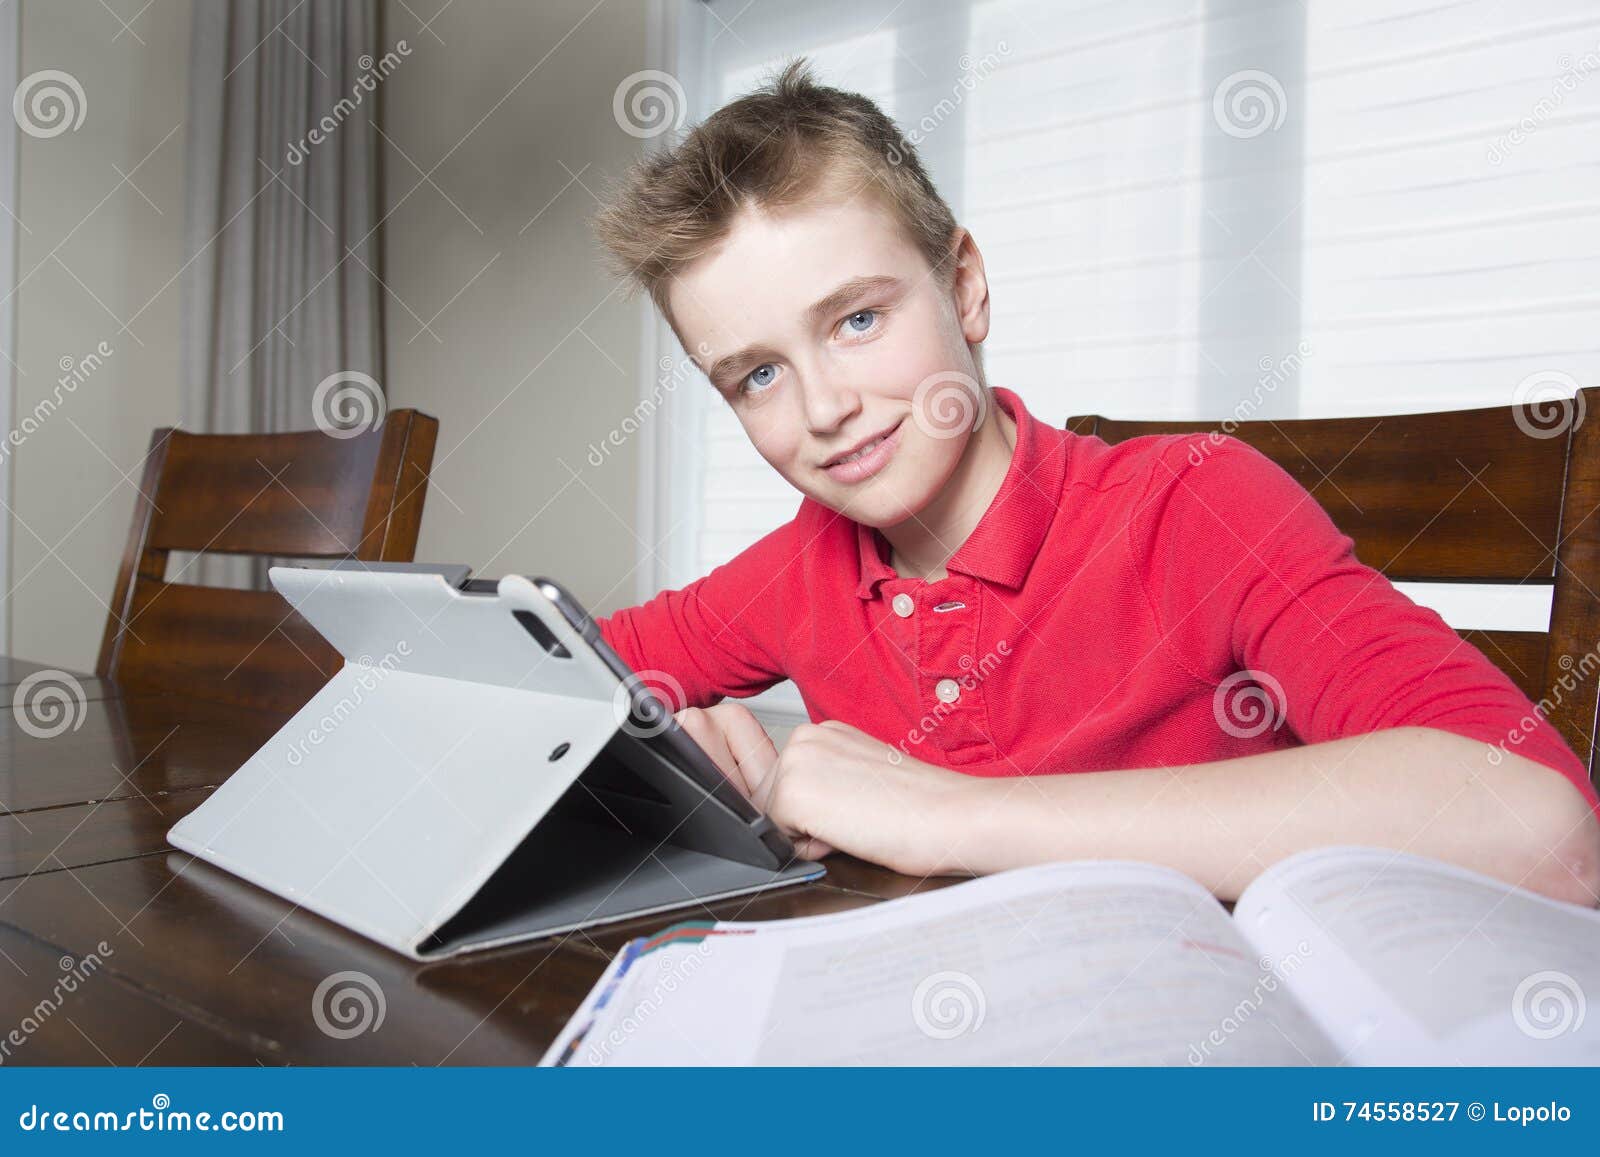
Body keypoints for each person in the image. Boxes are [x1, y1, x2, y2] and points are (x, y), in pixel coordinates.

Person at [587, 59, 1599, 904]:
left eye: (857, 319)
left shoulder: (1193, 507)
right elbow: (553, 676)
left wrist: (945, 812)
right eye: (758, 375)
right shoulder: (796, 571)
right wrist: (672, 753)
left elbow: (1543, 829)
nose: (823, 407)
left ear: (965, 287)